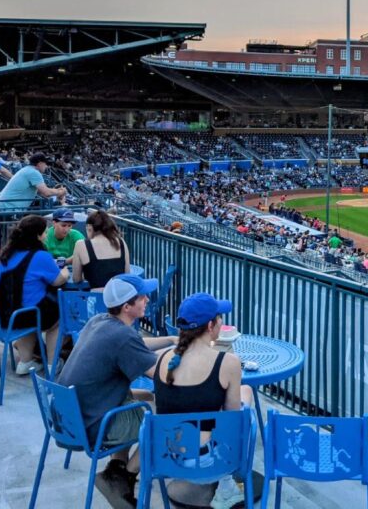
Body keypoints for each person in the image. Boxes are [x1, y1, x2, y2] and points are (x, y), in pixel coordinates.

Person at [57, 274, 176, 508]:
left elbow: (136, 344)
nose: (147, 300)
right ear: (126, 307)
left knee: (145, 397)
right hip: (94, 423)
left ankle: (117, 471)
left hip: (69, 416)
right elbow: (163, 375)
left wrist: (170, 339)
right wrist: (188, 355)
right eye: (142, 297)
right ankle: (124, 476)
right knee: (165, 423)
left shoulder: (100, 321)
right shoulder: (122, 337)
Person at [152, 293, 253, 509]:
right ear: (210, 325)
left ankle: (226, 487)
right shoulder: (228, 363)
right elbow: (232, 421)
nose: (222, 321)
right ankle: (226, 487)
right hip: (208, 465)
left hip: (167, 459)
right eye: (220, 317)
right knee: (246, 395)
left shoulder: (162, 358)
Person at [0, 214, 68, 373]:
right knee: (60, 317)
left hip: (3, 315)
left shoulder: (5, 256)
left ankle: (25, 362)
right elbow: (57, 281)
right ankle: (52, 364)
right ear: (38, 235)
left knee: (28, 314)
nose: (46, 235)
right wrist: (65, 272)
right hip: (28, 314)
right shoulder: (40, 256)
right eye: (45, 232)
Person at [72, 209, 131, 289]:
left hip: (95, 296)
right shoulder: (121, 242)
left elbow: (76, 279)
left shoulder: (81, 244)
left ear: (89, 227)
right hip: (119, 295)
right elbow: (127, 274)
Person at [0, 152, 67, 209]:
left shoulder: (27, 169)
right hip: (7, 209)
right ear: (40, 163)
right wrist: (61, 191)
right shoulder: (34, 172)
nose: (46, 166)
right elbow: (46, 193)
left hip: (3, 207)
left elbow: (41, 192)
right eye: (45, 164)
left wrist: (57, 192)